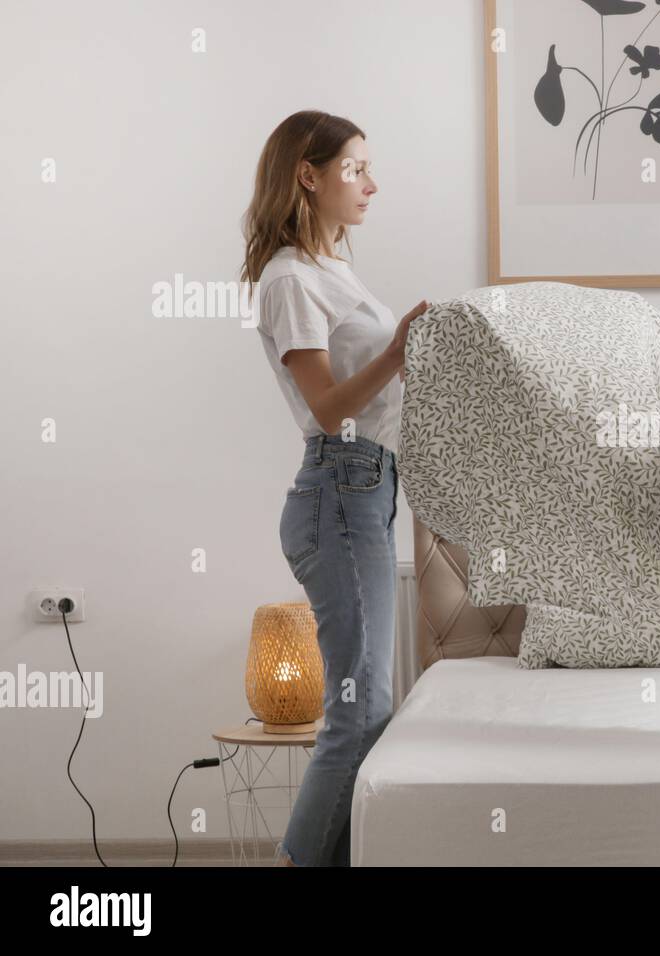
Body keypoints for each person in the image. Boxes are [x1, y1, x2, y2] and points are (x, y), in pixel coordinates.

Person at [241, 110, 427, 866]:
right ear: (307, 175)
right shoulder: (289, 278)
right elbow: (326, 406)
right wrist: (397, 352)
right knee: (356, 715)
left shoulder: (332, 272)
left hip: (369, 490)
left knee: (370, 711)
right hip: (340, 489)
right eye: (355, 169)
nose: (370, 185)